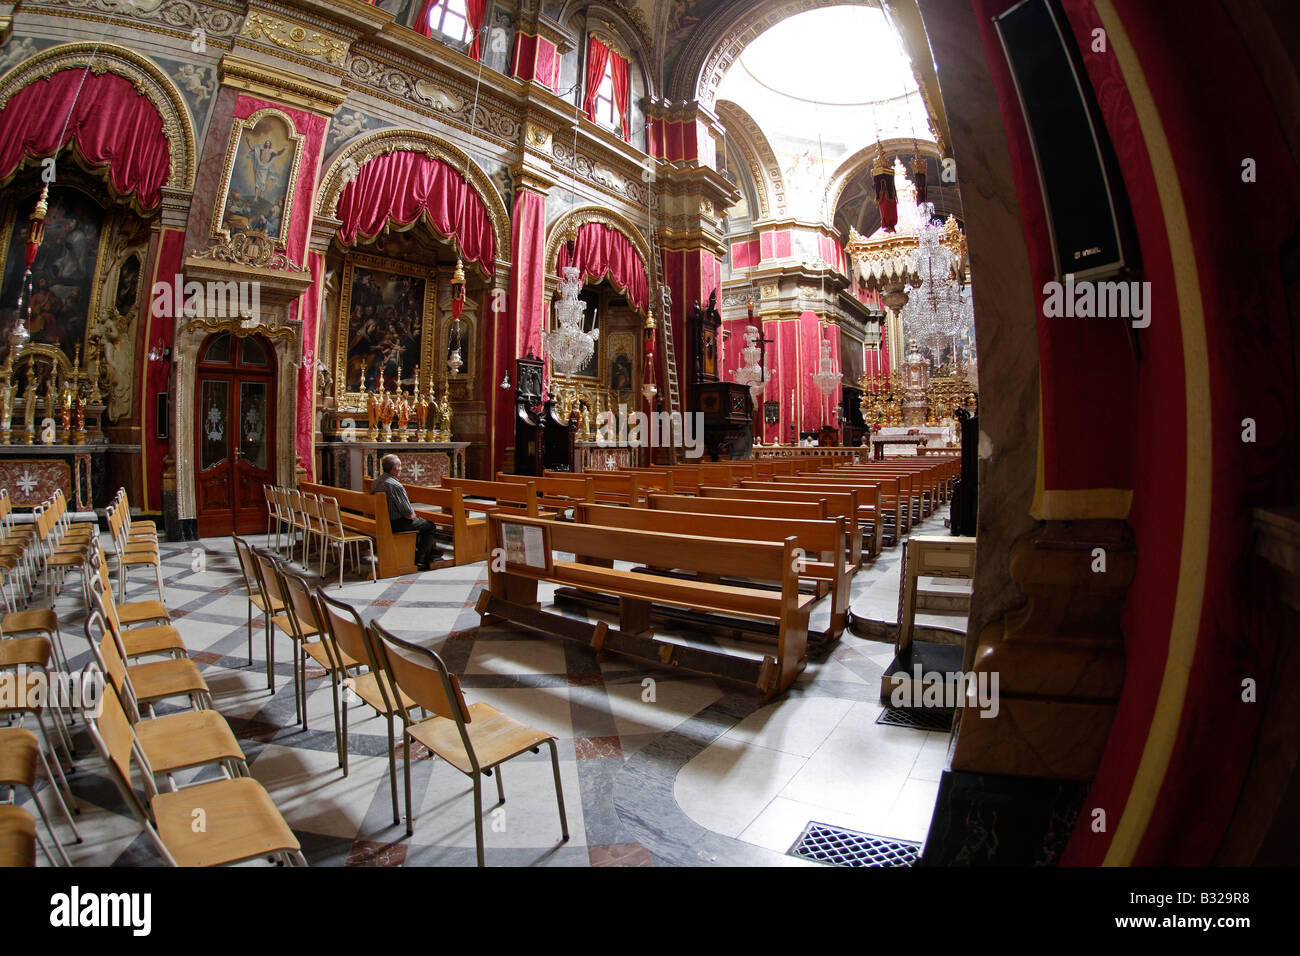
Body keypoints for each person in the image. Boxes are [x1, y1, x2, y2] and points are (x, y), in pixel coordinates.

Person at [371, 454, 441, 569]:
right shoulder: (395, 485)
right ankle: (421, 560)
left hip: (381, 520)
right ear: (393, 469)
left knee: (419, 523)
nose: (401, 469)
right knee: (429, 526)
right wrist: (413, 514)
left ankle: (422, 552)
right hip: (396, 523)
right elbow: (408, 513)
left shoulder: (376, 481)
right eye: (399, 466)